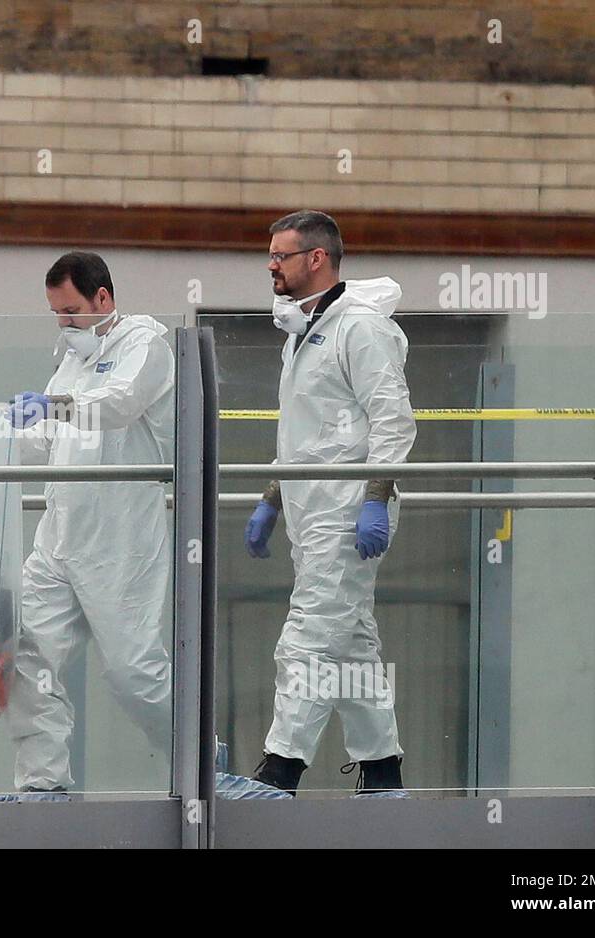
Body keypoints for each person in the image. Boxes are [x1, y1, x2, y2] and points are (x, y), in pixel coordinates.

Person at [0, 251, 175, 800]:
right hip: (59, 539)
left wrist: (53, 405)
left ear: (104, 297)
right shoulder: (72, 360)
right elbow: (49, 438)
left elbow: (118, 405)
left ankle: (200, 760)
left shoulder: (146, 345)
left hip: (122, 540)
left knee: (133, 674)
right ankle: (43, 782)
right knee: (21, 652)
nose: (64, 323)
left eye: (72, 311)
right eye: (56, 313)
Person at [243, 210, 417, 797]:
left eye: (281, 255)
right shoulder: (304, 331)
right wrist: (273, 497)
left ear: (316, 258)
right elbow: (306, 433)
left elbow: (393, 419)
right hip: (312, 506)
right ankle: (383, 771)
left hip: (347, 508)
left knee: (310, 635)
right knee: (353, 642)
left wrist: (376, 497)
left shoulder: (359, 329)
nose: (272, 265)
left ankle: (280, 771)